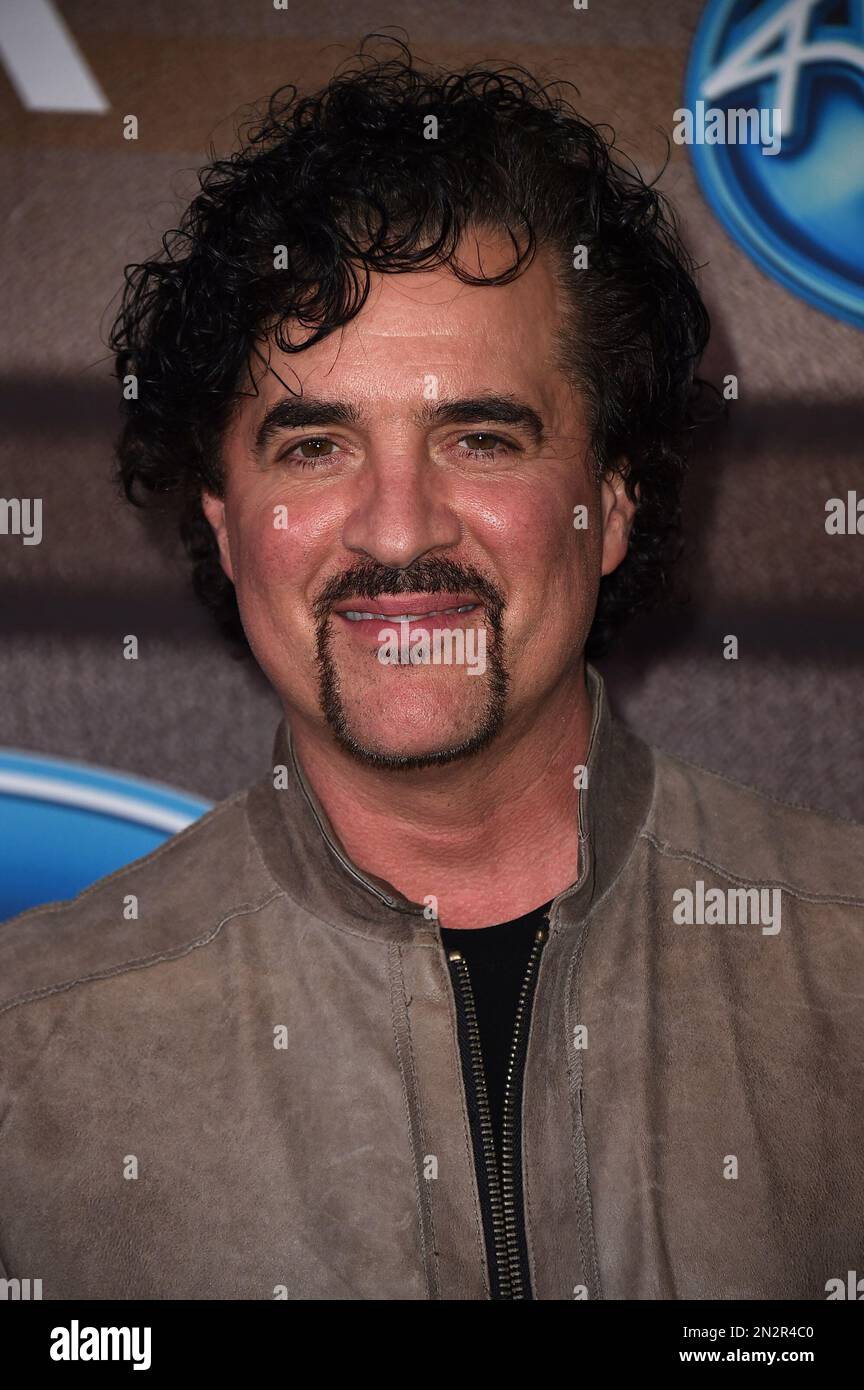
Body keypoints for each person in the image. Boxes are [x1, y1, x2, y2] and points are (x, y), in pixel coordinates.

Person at [1, 40, 861, 1302]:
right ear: (227, 521)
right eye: (313, 447)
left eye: (480, 434)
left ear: (612, 502)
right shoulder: (29, 1062)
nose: (399, 530)